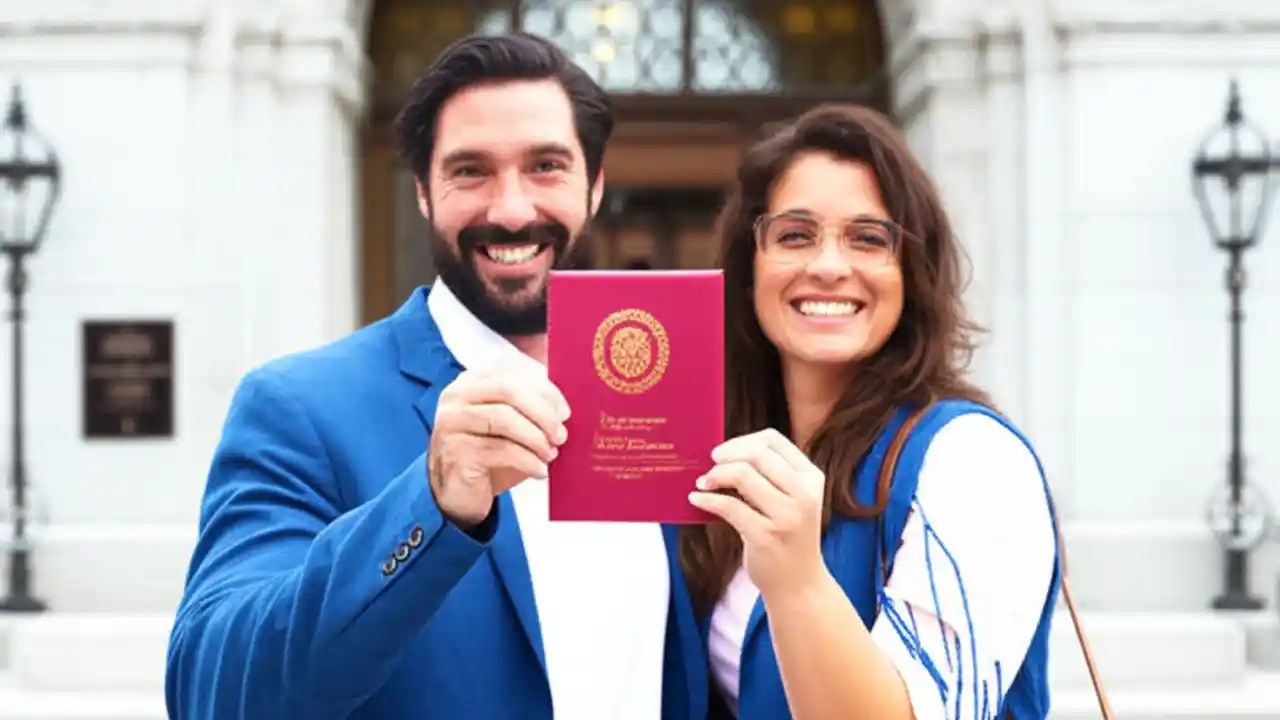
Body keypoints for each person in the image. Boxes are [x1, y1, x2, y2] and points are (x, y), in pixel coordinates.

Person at [165, 33, 706, 720]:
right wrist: (431, 503)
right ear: (423, 192)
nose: (511, 210)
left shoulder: (670, 401)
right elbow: (214, 692)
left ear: (593, 187)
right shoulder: (299, 408)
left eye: (545, 166)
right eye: (470, 171)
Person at [679, 104, 1061, 719]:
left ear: (911, 273)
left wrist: (798, 581)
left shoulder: (972, 464)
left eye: (868, 239)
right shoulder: (724, 453)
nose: (829, 267)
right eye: (795, 235)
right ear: (750, 269)